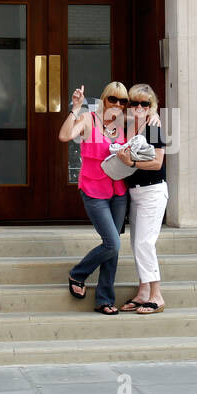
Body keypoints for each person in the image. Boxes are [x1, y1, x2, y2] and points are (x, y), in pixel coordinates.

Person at [59, 81, 129, 315]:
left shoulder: (121, 126)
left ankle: (105, 298)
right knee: (113, 243)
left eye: (123, 101)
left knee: (114, 248)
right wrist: (76, 108)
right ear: (104, 98)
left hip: (118, 191)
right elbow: (65, 135)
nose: (117, 105)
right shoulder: (89, 119)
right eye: (113, 99)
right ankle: (78, 273)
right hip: (93, 189)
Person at [117, 84, 167, 314]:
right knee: (137, 243)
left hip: (152, 191)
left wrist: (132, 163)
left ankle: (156, 295)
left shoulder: (154, 128)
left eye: (144, 104)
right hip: (135, 192)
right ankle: (143, 292)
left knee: (144, 243)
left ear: (151, 107)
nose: (138, 107)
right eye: (134, 103)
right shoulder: (128, 127)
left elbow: (157, 162)